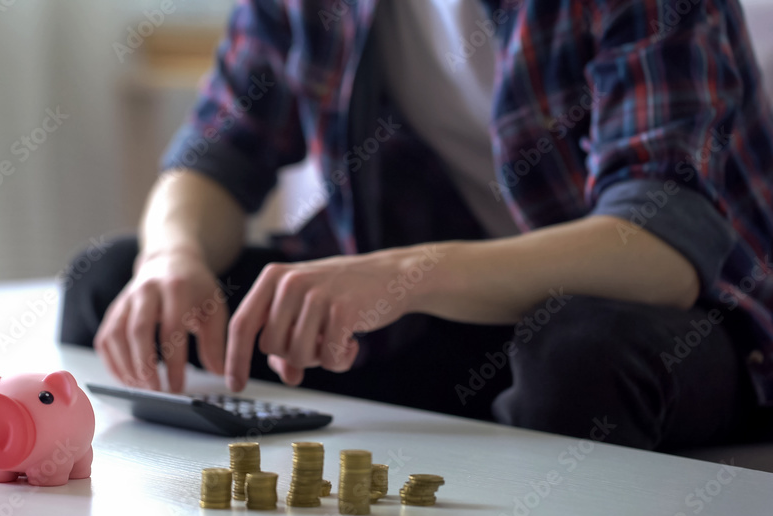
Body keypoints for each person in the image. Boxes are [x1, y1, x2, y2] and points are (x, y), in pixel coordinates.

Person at [61, 0, 773, 450]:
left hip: (681, 322)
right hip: (443, 323)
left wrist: (404, 275)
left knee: (575, 355)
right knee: (112, 284)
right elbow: (216, 156)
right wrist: (172, 259)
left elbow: (662, 247)